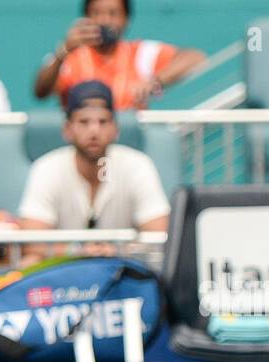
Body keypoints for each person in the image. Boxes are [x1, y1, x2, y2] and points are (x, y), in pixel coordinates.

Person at [15, 80, 169, 264]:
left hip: (122, 272)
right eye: (84, 121)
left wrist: (116, 251)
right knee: (30, 261)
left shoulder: (138, 165)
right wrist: (80, 252)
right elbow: (33, 243)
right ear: (67, 129)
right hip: (64, 272)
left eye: (103, 122)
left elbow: (160, 236)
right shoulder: (46, 168)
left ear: (115, 129)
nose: (94, 131)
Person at [33, 0, 205, 111]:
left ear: (126, 20)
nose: (104, 20)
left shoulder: (140, 53)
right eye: (96, 13)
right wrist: (64, 50)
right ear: (86, 17)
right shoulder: (69, 54)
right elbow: (40, 91)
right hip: (83, 150)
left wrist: (155, 81)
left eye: (113, 13)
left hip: (130, 147)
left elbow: (195, 58)